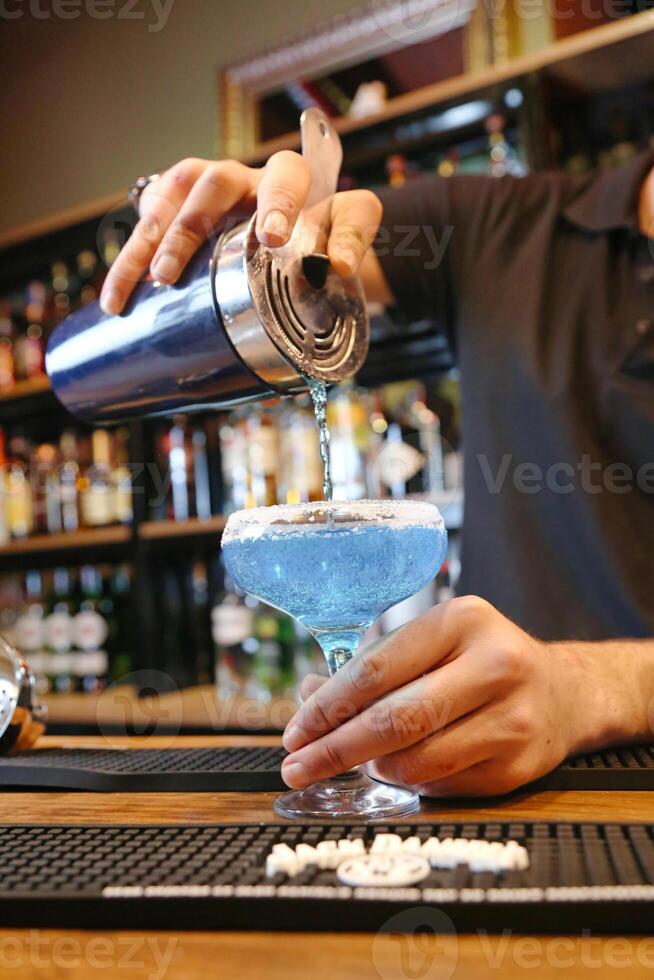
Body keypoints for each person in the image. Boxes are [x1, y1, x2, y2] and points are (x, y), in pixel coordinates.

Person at [101, 146, 654, 796]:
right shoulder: (503, 222)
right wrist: (245, 241)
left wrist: (586, 689)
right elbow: (320, 253)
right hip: (459, 794)